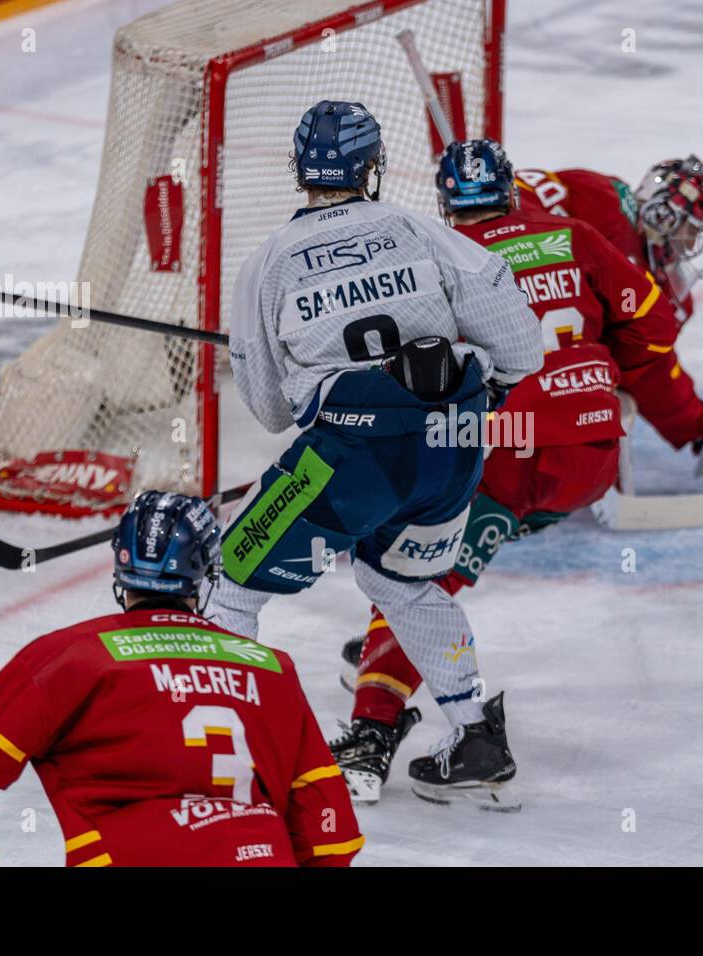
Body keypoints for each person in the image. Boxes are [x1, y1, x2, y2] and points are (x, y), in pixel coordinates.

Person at [333, 140, 703, 802]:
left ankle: (372, 734)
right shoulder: (583, 222)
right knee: (438, 570)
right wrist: (611, 365)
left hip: (506, 444)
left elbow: (392, 350)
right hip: (588, 453)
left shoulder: (442, 255)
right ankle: (418, 668)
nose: (685, 239)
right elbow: (655, 328)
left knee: (411, 566)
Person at [204, 103, 543, 811]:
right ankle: (475, 733)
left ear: (300, 170)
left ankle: (238, 762)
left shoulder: (266, 264)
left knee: (232, 578)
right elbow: (520, 344)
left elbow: (269, 409)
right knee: (403, 585)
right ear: (373, 166)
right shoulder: (421, 231)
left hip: (348, 459)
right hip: (454, 448)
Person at [0, 491, 362, 867]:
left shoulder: (72, 657)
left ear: (121, 569)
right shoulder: (272, 668)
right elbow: (331, 839)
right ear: (206, 573)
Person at [514, 155, 703, 323]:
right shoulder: (604, 200)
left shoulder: (671, 295)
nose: (690, 243)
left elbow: (653, 363)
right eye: (690, 230)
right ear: (665, 212)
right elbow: (517, 191)